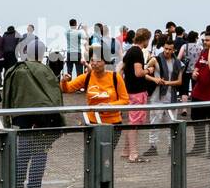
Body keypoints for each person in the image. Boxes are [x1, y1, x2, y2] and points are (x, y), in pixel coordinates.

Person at [3, 53, 64, 188]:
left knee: (23, 152)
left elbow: (9, 94)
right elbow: (53, 95)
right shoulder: (44, 71)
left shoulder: (16, 70)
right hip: (42, 119)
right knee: (40, 151)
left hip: (20, 117)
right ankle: (34, 187)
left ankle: (17, 187)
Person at [60, 55, 128, 127]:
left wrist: (109, 106)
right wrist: (64, 81)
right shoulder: (86, 77)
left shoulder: (115, 77)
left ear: (105, 62)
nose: (94, 63)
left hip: (113, 122)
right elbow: (67, 89)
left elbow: (125, 100)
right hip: (92, 121)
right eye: (92, 60)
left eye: (98, 61)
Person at [120, 27, 152, 162]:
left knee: (130, 121)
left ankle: (126, 150)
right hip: (137, 91)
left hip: (129, 90)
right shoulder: (138, 52)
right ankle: (134, 153)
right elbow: (138, 72)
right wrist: (149, 70)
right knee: (134, 123)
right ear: (145, 39)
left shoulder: (129, 51)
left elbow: (121, 69)